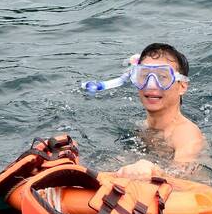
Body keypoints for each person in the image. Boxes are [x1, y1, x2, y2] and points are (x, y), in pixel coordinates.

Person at [85, 43, 204, 179]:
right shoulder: (141, 127)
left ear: (182, 86)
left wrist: (152, 170)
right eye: (144, 76)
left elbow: (183, 174)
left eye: (162, 77)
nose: (151, 85)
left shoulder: (186, 133)